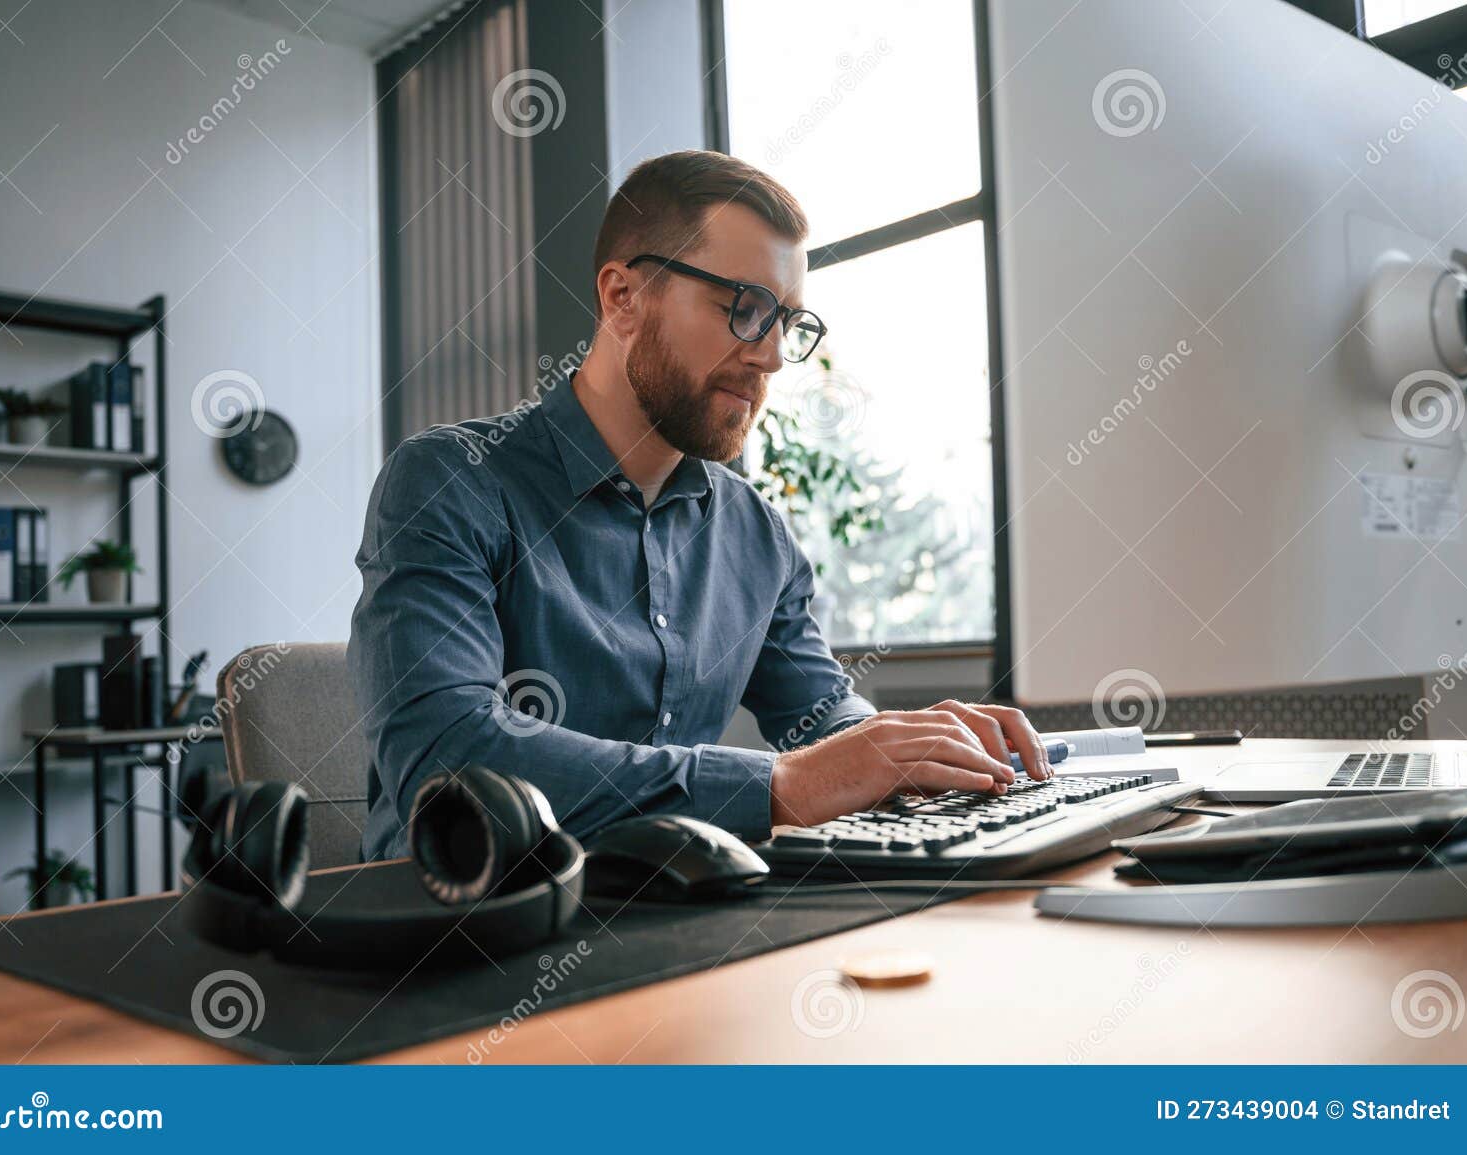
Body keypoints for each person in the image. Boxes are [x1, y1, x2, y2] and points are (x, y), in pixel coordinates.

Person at [349, 149, 1050, 861]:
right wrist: (780, 785)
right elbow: (447, 762)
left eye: (788, 322)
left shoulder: (754, 535)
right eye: (745, 309)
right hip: (467, 936)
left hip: (676, 918)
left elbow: (821, 720)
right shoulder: (450, 482)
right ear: (623, 298)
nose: (772, 355)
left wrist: (908, 746)